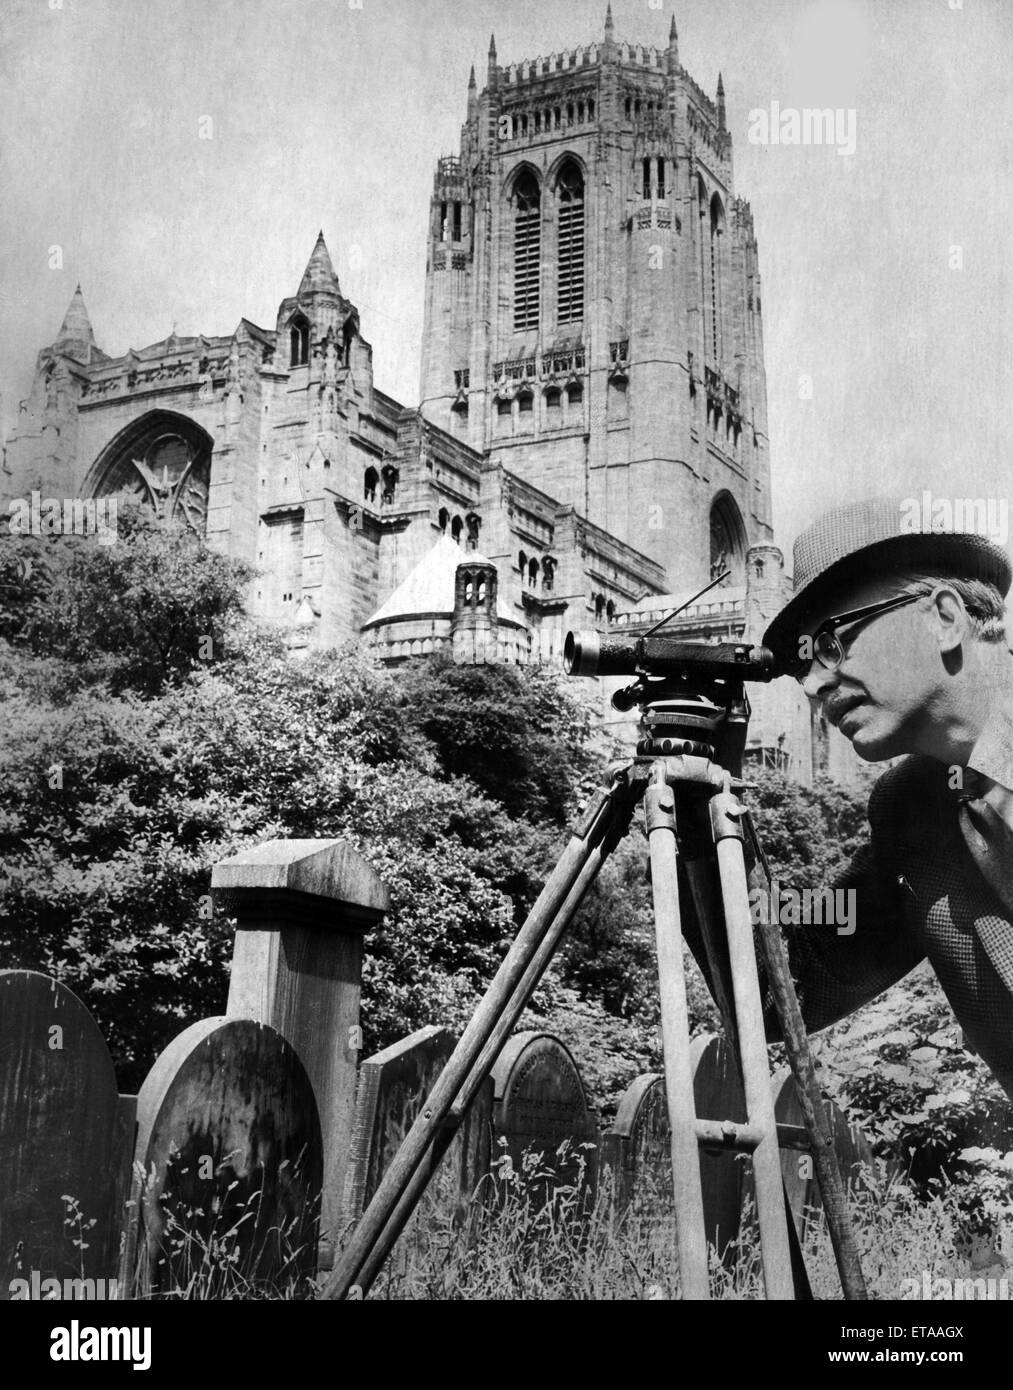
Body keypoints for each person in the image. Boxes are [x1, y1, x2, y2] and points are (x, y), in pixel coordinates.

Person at [753, 495, 1013, 1101]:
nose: (815, 684)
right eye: (801, 667)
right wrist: (695, 801)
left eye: (831, 642)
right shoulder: (912, 811)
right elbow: (789, 988)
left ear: (944, 618)